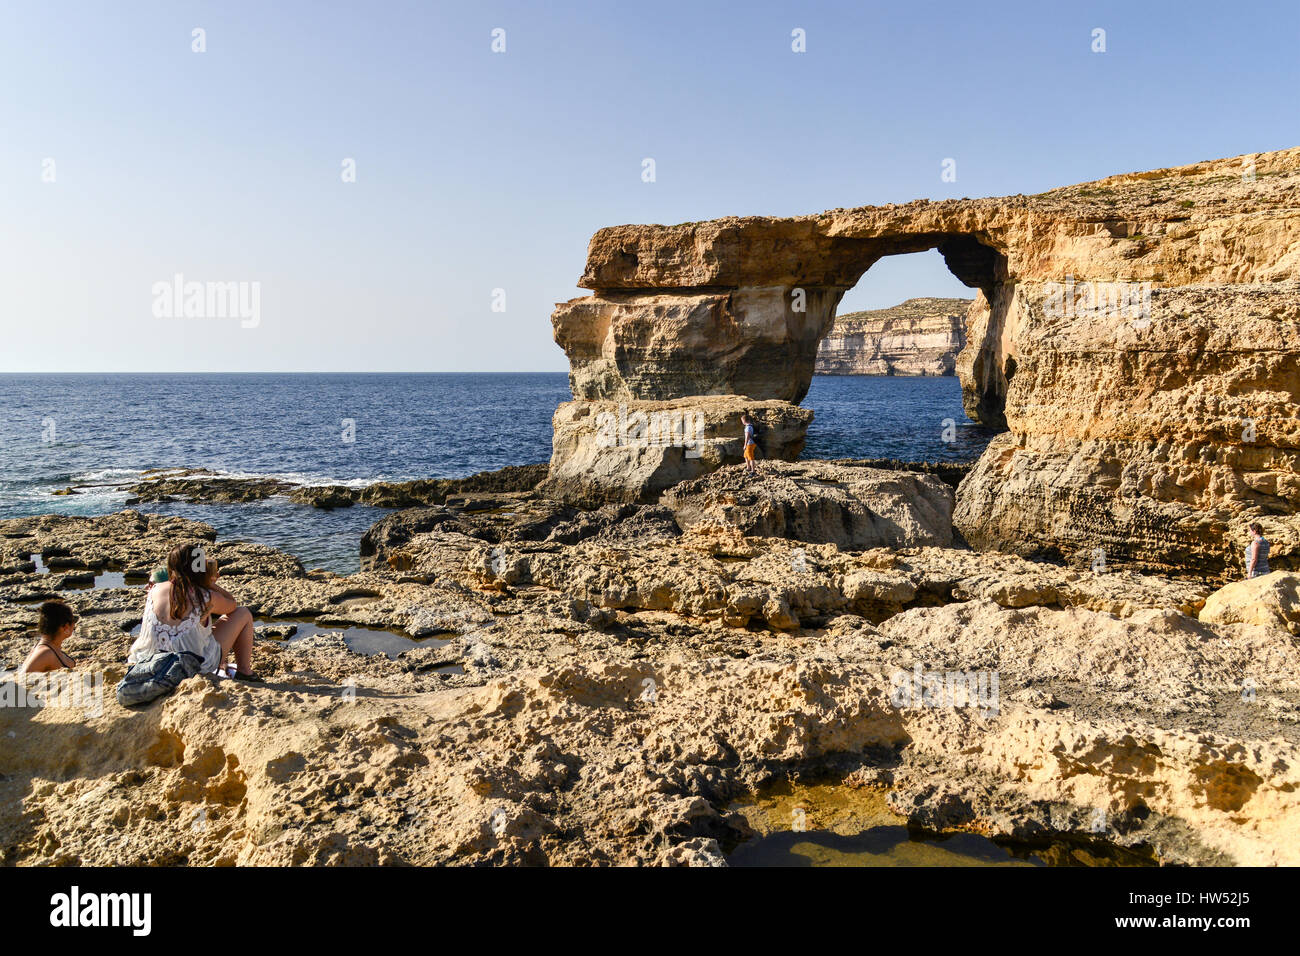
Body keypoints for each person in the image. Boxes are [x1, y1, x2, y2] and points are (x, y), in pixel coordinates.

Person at [127, 543, 262, 682]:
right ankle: (244, 671)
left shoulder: (155, 589)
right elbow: (232, 605)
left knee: (196, 628)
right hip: (189, 668)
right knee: (243, 613)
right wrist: (210, 584)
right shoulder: (204, 596)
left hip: (145, 660)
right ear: (199, 569)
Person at [18, 601, 78, 674]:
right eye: (74, 620)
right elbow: (23, 678)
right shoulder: (45, 653)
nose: (74, 624)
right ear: (66, 627)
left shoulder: (51, 646)